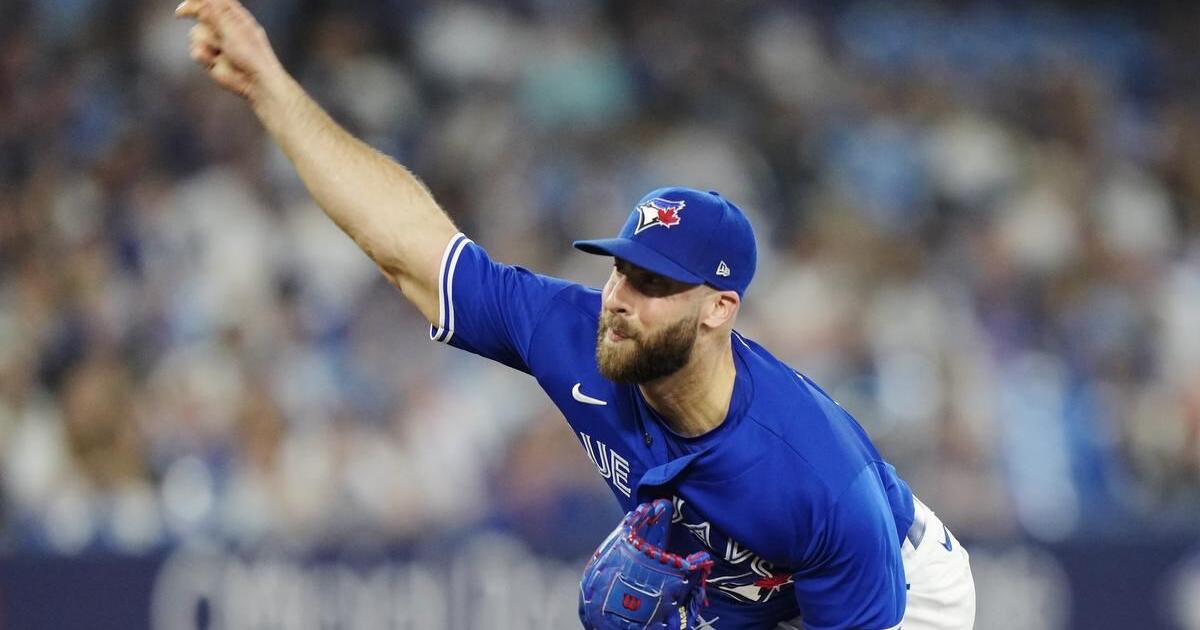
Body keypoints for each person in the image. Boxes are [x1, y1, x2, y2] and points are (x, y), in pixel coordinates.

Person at [176, 1, 976, 627]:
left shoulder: (812, 477)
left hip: (903, 595)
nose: (621, 300)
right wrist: (270, 90)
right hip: (765, 580)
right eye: (622, 271)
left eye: (656, 286)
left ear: (718, 311)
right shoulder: (581, 336)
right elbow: (409, 250)